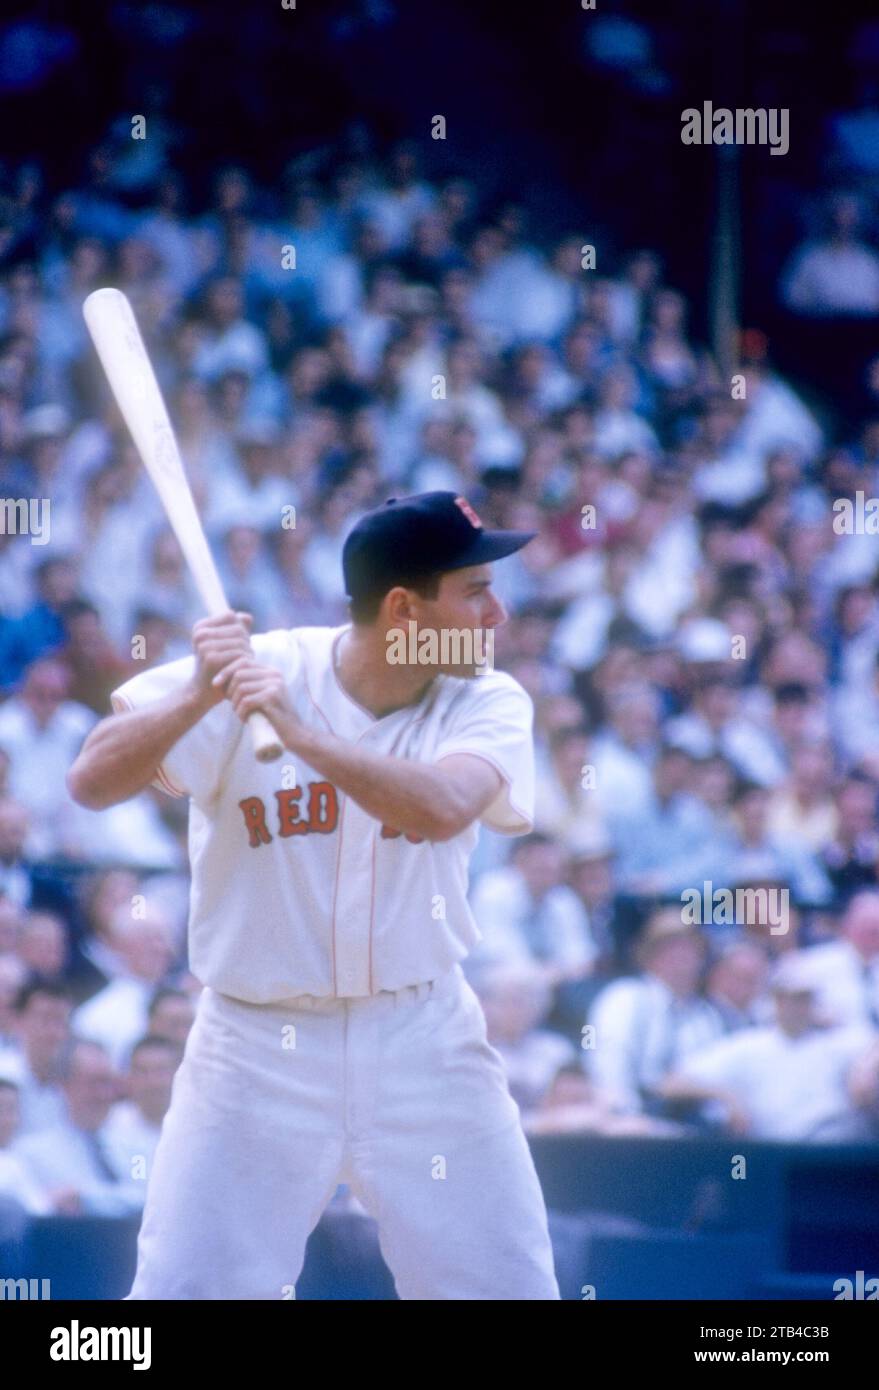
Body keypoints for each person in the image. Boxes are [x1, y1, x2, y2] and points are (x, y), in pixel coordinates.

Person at [67, 491, 561, 1300]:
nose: (498, 613)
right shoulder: (260, 668)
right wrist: (198, 690)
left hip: (422, 1037)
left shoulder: (486, 697)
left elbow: (437, 809)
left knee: (506, 1289)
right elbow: (90, 781)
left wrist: (301, 736)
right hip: (254, 1046)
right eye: (474, 590)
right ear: (404, 608)